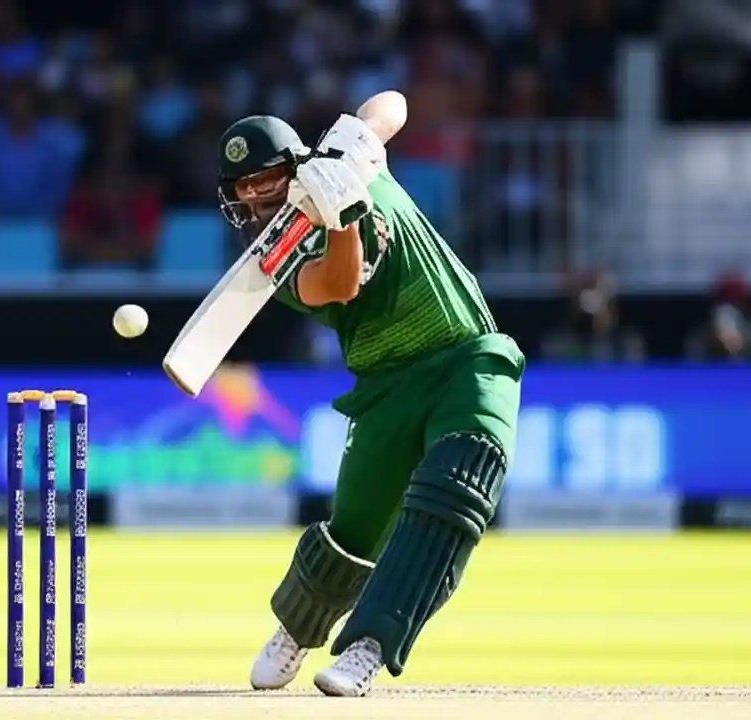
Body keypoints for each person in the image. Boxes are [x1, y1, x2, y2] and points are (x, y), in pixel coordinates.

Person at [217, 93, 524, 697]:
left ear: (294, 165)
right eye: (243, 190)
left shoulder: (352, 160)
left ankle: (369, 647)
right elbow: (336, 283)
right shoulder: (272, 258)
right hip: (386, 384)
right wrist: (341, 218)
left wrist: (352, 151)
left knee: (455, 491)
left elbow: (394, 103)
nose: (255, 199)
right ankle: (297, 630)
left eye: (265, 181)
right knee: (353, 530)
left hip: (467, 355)